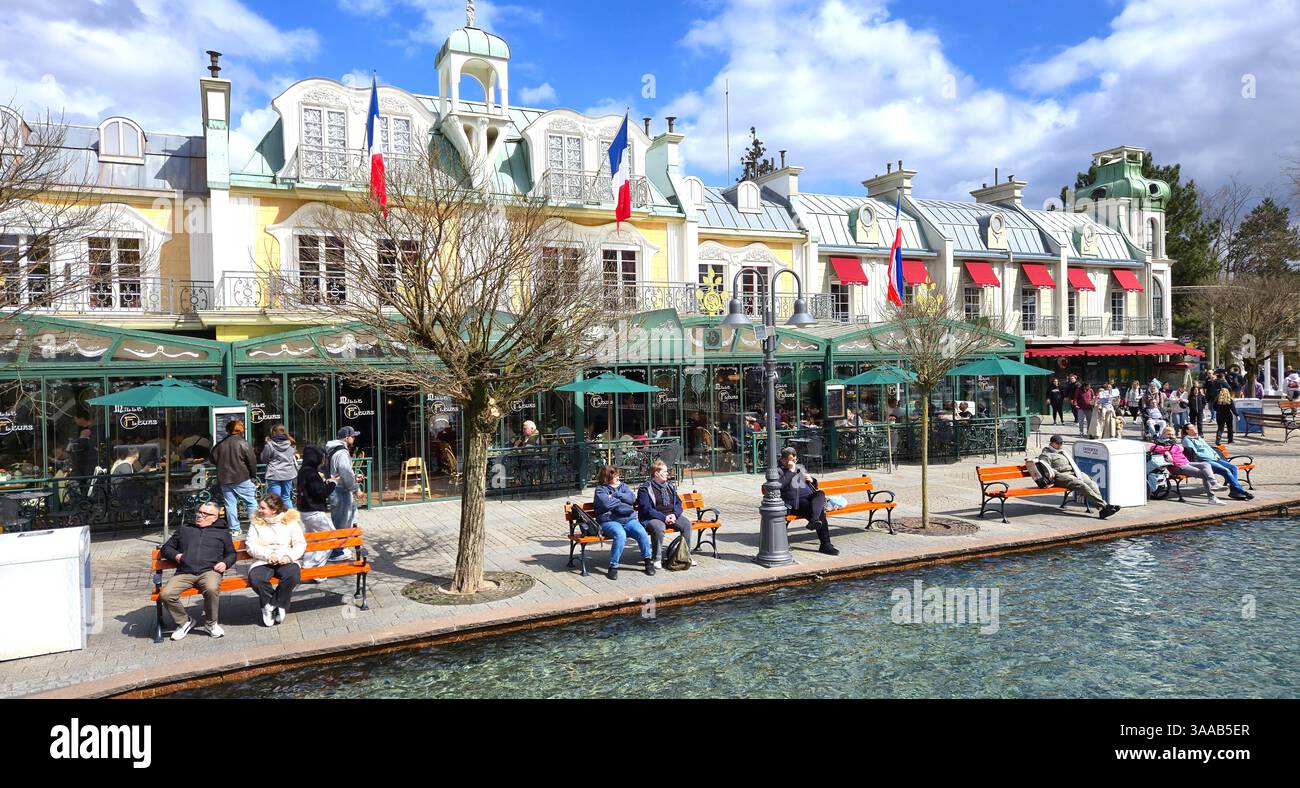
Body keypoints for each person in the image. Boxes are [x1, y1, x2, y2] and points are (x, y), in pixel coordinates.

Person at [158, 502, 236, 640]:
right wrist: (176, 555)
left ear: (214, 517)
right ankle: (184, 622)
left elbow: (231, 553)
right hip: (185, 571)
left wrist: (225, 563)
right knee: (166, 594)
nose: (199, 515)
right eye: (199, 512)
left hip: (209, 571)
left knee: (211, 589)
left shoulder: (222, 532)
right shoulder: (185, 529)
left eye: (204, 514)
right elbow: (166, 548)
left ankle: (211, 624)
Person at [244, 493, 307, 626]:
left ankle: (273, 605)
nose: (259, 510)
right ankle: (272, 606)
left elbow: (300, 544)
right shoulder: (256, 522)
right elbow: (251, 545)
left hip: (285, 558)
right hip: (263, 559)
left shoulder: (290, 521)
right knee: (256, 579)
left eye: (263, 508)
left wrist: (288, 557)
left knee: (292, 576)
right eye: (259, 507)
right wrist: (268, 555)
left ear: (274, 510)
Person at [593, 466, 653, 579]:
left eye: (617, 474)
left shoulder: (624, 486)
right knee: (620, 535)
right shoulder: (600, 490)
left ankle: (648, 561)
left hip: (628, 519)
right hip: (609, 521)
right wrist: (623, 501)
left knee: (641, 532)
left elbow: (632, 499)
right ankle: (613, 566)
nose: (617, 477)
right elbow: (606, 504)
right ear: (607, 477)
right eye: (614, 475)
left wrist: (615, 496)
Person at [1038, 435, 1119, 519]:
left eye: (1061, 443)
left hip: (1073, 473)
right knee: (1081, 485)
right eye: (1057, 443)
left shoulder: (1062, 452)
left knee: (1092, 483)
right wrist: (1064, 475)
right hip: (1060, 477)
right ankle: (1105, 506)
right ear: (1051, 443)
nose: (1060, 445)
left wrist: (1077, 473)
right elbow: (1047, 471)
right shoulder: (1046, 455)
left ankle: (1103, 509)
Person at [777, 447, 839, 555]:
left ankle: (814, 520)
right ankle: (825, 544)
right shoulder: (778, 471)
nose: (792, 463)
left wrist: (812, 480)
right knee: (820, 514)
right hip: (794, 503)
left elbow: (812, 486)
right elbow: (780, 485)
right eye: (790, 461)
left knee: (820, 493)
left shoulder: (799, 467)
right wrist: (791, 471)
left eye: (794, 460)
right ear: (783, 460)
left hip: (810, 498)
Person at [637, 460, 694, 570]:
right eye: (665, 471)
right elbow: (647, 509)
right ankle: (657, 558)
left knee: (686, 524)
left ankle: (685, 556)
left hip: (671, 515)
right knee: (659, 527)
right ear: (657, 474)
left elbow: (678, 503)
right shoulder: (645, 488)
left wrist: (675, 515)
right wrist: (664, 518)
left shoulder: (669, 486)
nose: (668, 473)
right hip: (652, 517)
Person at [1150, 426, 1223, 505]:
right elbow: (1154, 449)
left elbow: (1181, 449)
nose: (1170, 436)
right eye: (1168, 434)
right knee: (1204, 474)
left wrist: (1176, 447)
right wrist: (1167, 450)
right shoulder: (1158, 444)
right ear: (1163, 434)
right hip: (1177, 467)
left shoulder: (1173, 443)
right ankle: (1212, 498)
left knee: (1206, 464)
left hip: (1186, 463)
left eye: (1172, 434)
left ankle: (1213, 483)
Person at [211, 419, 258, 539]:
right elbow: (252, 461)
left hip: (225, 478)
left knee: (230, 504)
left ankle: (235, 529)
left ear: (227, 430)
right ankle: (256, 527)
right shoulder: (243, 443)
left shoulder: (220, 444)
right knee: (251, 502)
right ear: (241, 430)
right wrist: (253, 474)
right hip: (242, 477)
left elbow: (212, 458)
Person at [296, 445, 339, 570]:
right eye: (322, 457)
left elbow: (312, 489)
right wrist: (332, 483)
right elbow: (321, 493)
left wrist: (326, 482)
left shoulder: (303, 470)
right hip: (313, 511)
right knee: (330, 538)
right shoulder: (311, 473)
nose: (323, 460)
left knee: (314, 540)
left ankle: (309, 565)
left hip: (305, 511)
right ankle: (315, 567)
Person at [1181, 424, 1253, 501]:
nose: (1195, 429)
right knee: (1225, 470)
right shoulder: (1187, 440)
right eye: (1192, 428)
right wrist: (1209, 457)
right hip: (1205, 461)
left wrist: (1216, 456)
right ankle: (1241, 491)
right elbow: (1194, 453)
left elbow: (1209, 449)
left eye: (1195, 427)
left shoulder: (1199, 438)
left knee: (1233, 468)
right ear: (1187, 430)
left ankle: (1233, 491)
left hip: (1215, 459)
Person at [324, 427, 362, 561]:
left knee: (343, 519)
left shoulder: (333, 449)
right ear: (346, 438)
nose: (354, 438)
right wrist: (355, 488)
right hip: (341, 490)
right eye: (353, 436)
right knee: (341, 522)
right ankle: (336, 551)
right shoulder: (342, 453)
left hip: (336, 489)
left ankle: (340, 547)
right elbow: (345, 472)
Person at [261, 424, 297, 503]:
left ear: (273, 432)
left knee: (275, 500)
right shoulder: (291, 443)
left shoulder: (269, 444)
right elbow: (292, 456)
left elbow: (264, 459)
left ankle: (278, 515)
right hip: (288, 473)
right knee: (286, 497)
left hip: (274, 474)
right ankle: (289, 515)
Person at [1211, 377, 1237, 444]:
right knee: (1229, 428)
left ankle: (1218, 438)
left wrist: (1218, 410)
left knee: (1220, 428)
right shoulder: (1229, 400)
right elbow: (1233, 409)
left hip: (1219, 415)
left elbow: (1214, 407)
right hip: (1228, 415)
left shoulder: (1217, 399)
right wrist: (1237, 415)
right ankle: (1230, 440)